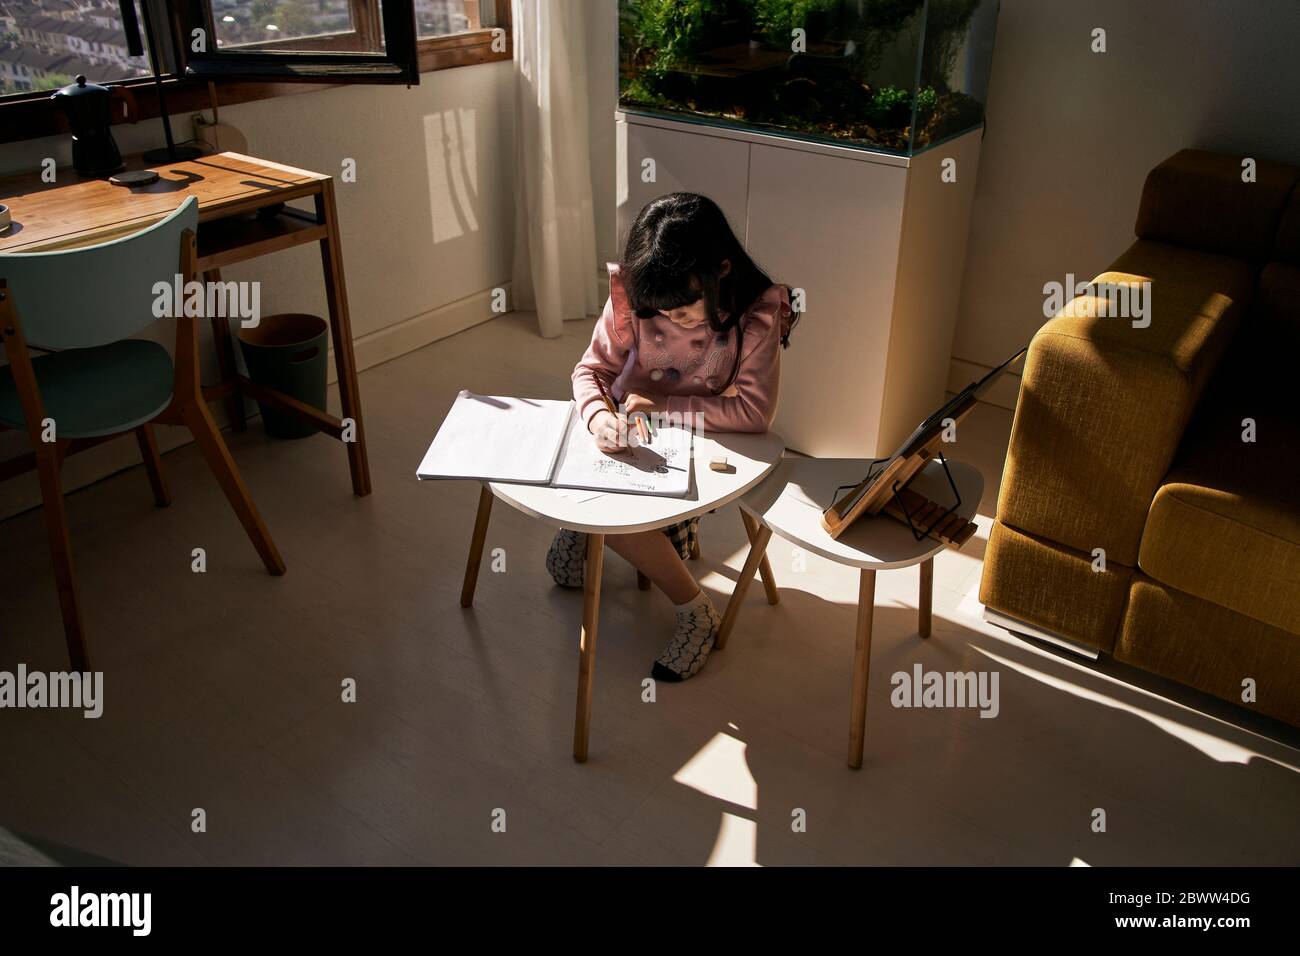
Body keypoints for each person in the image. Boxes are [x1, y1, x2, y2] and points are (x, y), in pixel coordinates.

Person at [546, 192, 791, 681]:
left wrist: (665, 408)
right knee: (577, 551)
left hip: (702, 439)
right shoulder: (636, 296)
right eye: (661, 313)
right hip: (628, 431)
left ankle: (695, 611)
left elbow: (753, 413)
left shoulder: (755, 316)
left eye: (684, 310)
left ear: (722, 270)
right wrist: (598, 418)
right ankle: (591, 523)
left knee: (634, 530)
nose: (672, 321)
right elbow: (590, 371)